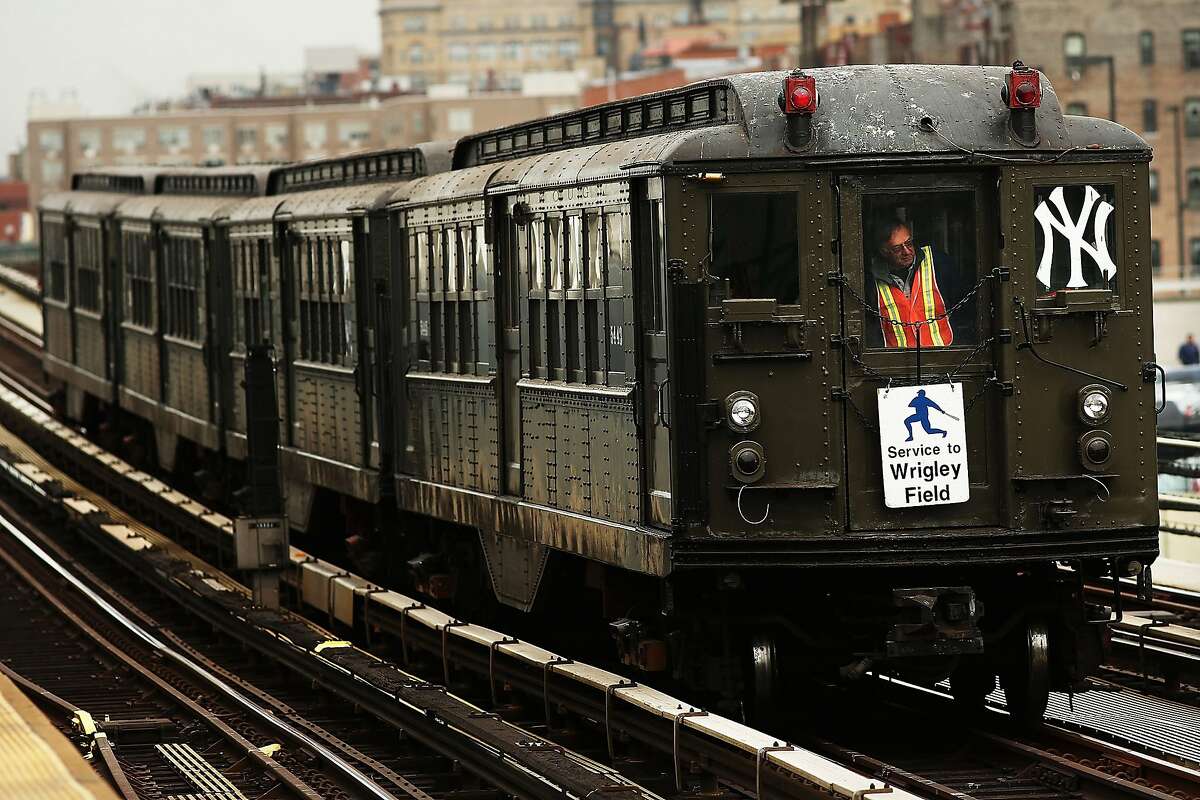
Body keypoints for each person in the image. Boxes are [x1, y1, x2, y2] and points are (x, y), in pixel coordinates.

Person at [867, 217, 966, 349]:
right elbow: (871, 329)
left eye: (909, 243)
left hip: (944, 353)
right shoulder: (871, 281)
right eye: (897, 249)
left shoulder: (938, 262)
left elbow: (963, 306)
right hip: (896, 359)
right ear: (884, 252)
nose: (907, 251)